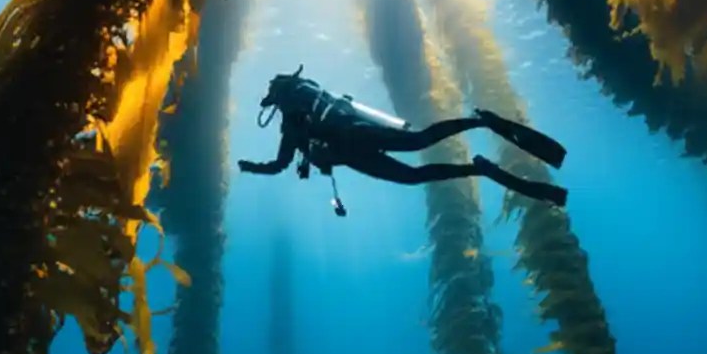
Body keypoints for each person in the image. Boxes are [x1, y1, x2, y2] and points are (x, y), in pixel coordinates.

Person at [238, 65, 569, 216]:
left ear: (276, 99)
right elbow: (284, 162)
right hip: (356, 142)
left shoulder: (292, 121)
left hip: (355, 146)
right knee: (418, 147)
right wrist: (254, 167)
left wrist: (252, 167)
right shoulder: (305, 102)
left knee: (415, 163)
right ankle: (479, 131)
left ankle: (478, 161)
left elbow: (281, 165)